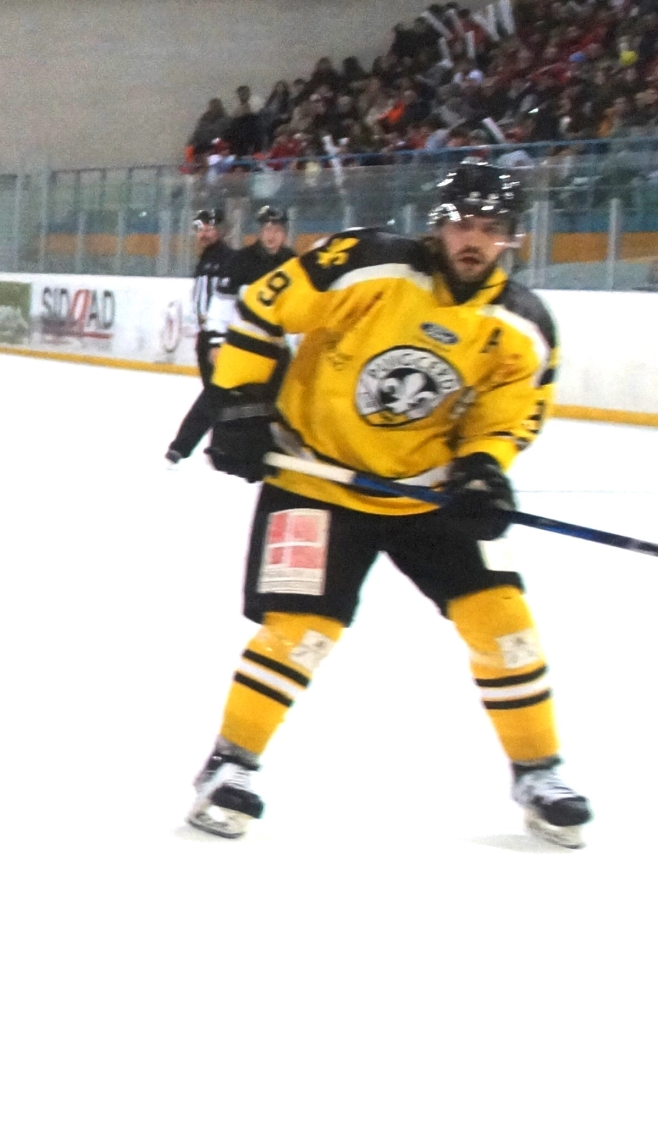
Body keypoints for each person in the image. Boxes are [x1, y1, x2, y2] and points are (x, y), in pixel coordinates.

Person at [176, 162, 585, 845]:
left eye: (490, 228)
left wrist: (484, 470)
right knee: (301, 630)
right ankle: (229, 765)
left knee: (504, 623)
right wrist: (242, 402)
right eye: (462, 223)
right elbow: (264, 307)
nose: (473, 239)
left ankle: (539, 773)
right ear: (440, 225)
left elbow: (509, 414)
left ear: (512, 236)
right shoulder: (368, 263)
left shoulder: (523, 324)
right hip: (314, 476)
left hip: (428, 491)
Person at [163, 207, 242, 462]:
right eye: (200, 229)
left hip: (219, 339)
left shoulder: (228, 258)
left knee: (215, 394)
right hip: (205, 338)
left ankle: (182, 446)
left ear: (220, 230)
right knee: (215, 394)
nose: (204, 234)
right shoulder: (205, 259)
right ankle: (217, 447)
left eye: (209, 228)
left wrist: (221, 336)